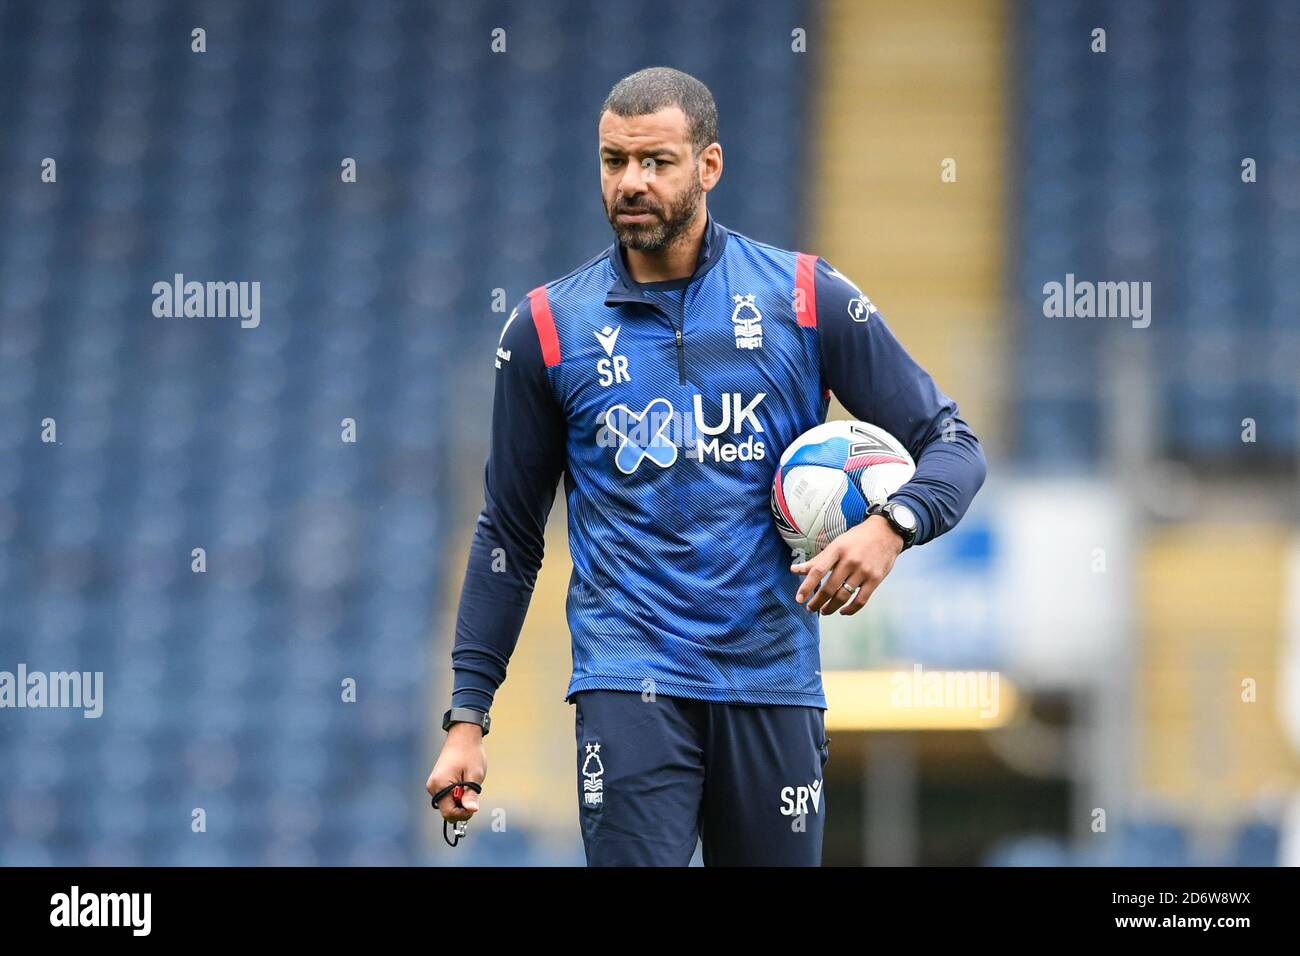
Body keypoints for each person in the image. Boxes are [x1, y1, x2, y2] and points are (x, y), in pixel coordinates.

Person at [427, 66, 987, 865]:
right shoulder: (547, 329)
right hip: (629, 679)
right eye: (613, 161)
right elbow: (508, 538)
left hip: (772, 680)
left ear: (708, 166)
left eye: (655, 161)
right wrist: (466, 720)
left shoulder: (806, 297)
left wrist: (890, 529)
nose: (630, 182)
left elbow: (955, 444)